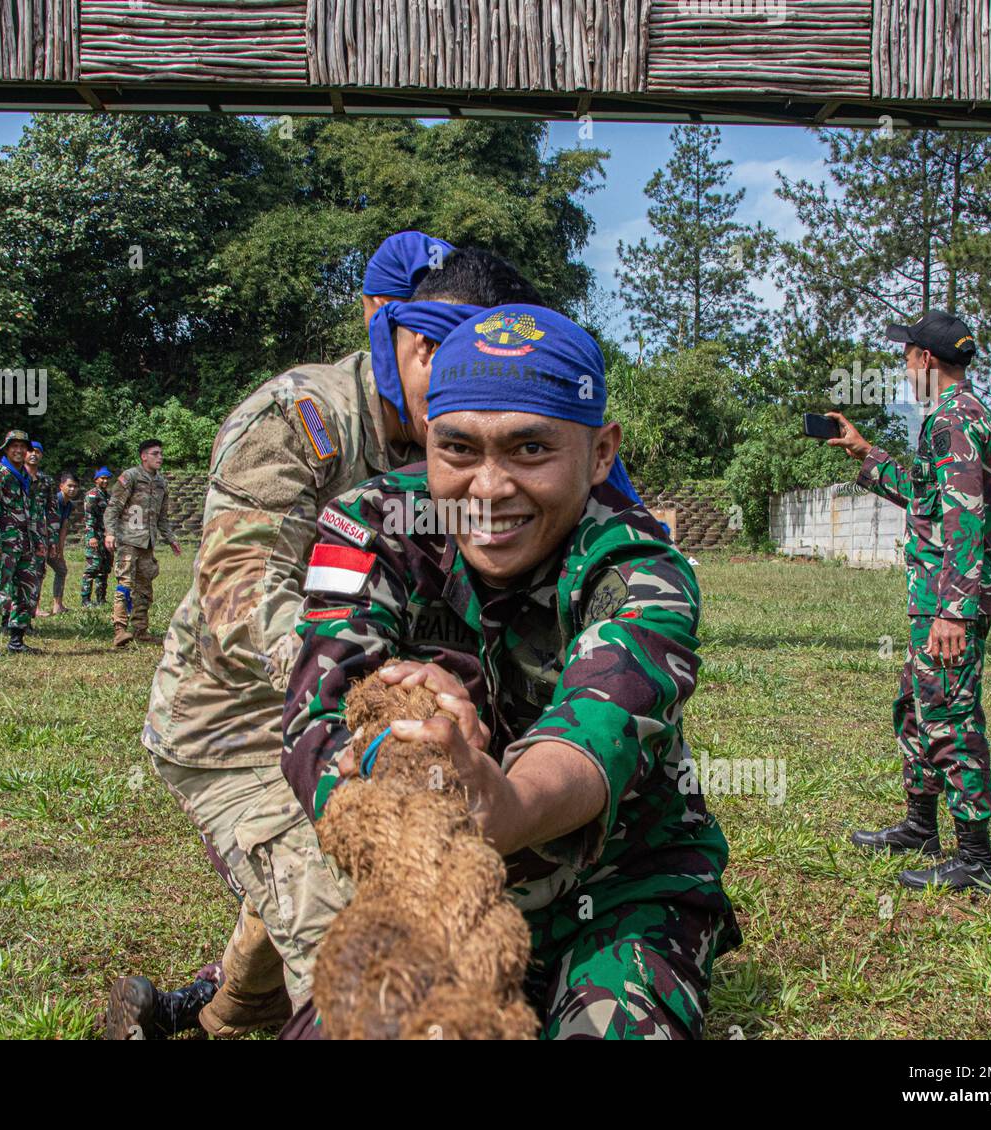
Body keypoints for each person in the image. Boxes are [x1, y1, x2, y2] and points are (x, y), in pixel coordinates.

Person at [106, 241, 542, 1040]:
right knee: (363, 920)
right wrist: (347, 676)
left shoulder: (465, 435)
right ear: (403, 339)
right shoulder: (303, 416)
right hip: (235, 723)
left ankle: (214, 1009)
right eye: (448, 363)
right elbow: (236, 577)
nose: (471, 401)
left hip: (376, 711)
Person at [282, 304, 740, 1040]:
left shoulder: (636, 565)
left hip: (619, 891)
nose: (489, 490)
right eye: (459, 450)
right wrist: (394, 752)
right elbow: (316, 720)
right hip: (433, 887)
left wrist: (507, 802)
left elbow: (598, 730)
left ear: (599, 453)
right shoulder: (373, 527)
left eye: (530, 449)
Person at [829, 311, 991, 892]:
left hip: (946, 605)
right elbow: (929, 498)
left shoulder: (953, 421)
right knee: (916, 705)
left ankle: (976, 859)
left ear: (926, 360)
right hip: (933, 602)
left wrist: (953, 610)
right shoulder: (959, 419)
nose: (904, 367)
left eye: (906, 357)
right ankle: (920, 827)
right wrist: (867, 455)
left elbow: (964, 518)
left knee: (950, 716)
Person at [0, 430, 45, 658]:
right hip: (4, 544)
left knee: (26, 591)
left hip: (25, 544)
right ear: (6, 448)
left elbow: (32, 512)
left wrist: (38, 540)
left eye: (23, 446)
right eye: (14, 446)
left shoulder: (26, 477)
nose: (19, 450)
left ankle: (16, 640)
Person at [104, 439, 182, 648]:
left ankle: (141, 630)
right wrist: (110, 533)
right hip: (128, 540)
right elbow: (113, 508)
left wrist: (171, 539)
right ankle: (120, 630)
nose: (160, 457)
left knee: (145, 588)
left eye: (161, 454)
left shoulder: (161, 484)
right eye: (155, 453)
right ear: (143, 456)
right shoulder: (130, 477)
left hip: (147, 544)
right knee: (125, 584)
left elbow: (162, 518)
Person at [24, 442, 62, 621]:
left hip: (39, 534)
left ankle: (33, 609)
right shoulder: (16, 476)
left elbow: (52, 511)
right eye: (30, 451)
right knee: (17, 573)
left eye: (37, 451)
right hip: (18, 533)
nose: (33, 454)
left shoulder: (46, 481)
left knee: (38, 572)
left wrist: (53, 539)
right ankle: (13, 614)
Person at [46, 471, 80, 616]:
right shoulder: (54, 501)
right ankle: (33, 608)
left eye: (75, 487)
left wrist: (61, 549)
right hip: (43, 540)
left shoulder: (69, 505)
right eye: (69, 486)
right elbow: (48, 524)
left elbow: (64, 527)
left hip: (54, 542)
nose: (72, 489)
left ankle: (57, 605)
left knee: (61, 570)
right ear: (61, 486)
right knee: (36, 573)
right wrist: (51, 545)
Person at [82, 468, 113, 607]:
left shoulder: (107, 496)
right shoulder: (92, 495)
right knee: (92, 568)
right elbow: (89, 517)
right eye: (102, 478)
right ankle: (86, 600)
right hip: (95, 536)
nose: (105, 481)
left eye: (107, 478)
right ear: (96, 480)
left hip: (106, 536)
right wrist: (91, 537)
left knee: (104, 568)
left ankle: (101, 599)